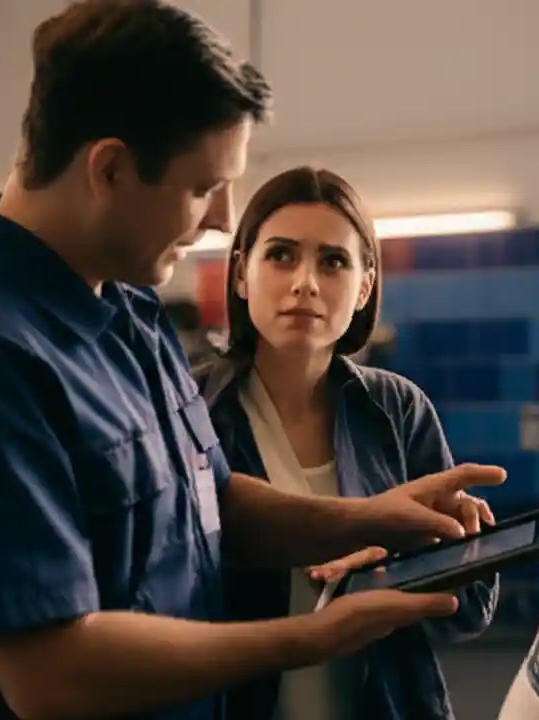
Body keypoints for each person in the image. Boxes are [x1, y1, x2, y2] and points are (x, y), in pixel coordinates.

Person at [0, 2, 506, 719]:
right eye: (204, 187)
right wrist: (310, 638)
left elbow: (210, 501)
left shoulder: (125, 307)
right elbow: (51, 675)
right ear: (110, 169)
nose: (224, 218)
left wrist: (368, 517)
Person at [195, 167, 499, 720]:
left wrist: (419, 556)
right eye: (281, 255)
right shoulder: (190, 409)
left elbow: (466, 614)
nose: (305, 283)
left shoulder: (397, 409)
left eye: (333, 261)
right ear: (240, 273)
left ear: (363, 287)